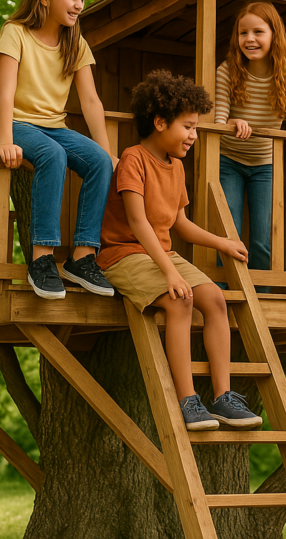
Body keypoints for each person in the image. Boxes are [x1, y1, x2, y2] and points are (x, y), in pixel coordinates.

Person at [97, 70, 262, 431]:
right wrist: (171, 273)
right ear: (160, 122)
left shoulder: (177, 167)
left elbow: (179, 224)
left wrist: (222, 242)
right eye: (188, 127)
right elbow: (138, 222)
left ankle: (223, 398)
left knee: (214, 299)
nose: (193, 135)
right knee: (181, 300)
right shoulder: (133, 159)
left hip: (161, 254)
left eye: (195, 128)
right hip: (123, 255)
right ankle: (188, 401)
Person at [0, 0, 116, 300]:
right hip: (14, 124)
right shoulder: (15, 32)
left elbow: (91, 101)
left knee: (99, 162)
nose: (79, 5)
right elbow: (5, 93)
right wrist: (6, 141)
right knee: (53, 154)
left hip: (53, 127)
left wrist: (107, 152)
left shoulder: (75, 43)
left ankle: (82, 257)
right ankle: (41, 259)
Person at [214, 1, 286, 276]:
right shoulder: (227, 70)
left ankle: (262, 292)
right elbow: (218, 121)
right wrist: (232, 122)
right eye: (243, 33)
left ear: (274, 35)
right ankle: (224, 289)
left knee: (263, 238)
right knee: (228, 233)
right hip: (229, 161)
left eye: (258, 32)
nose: (249, 39)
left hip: (265, 166)